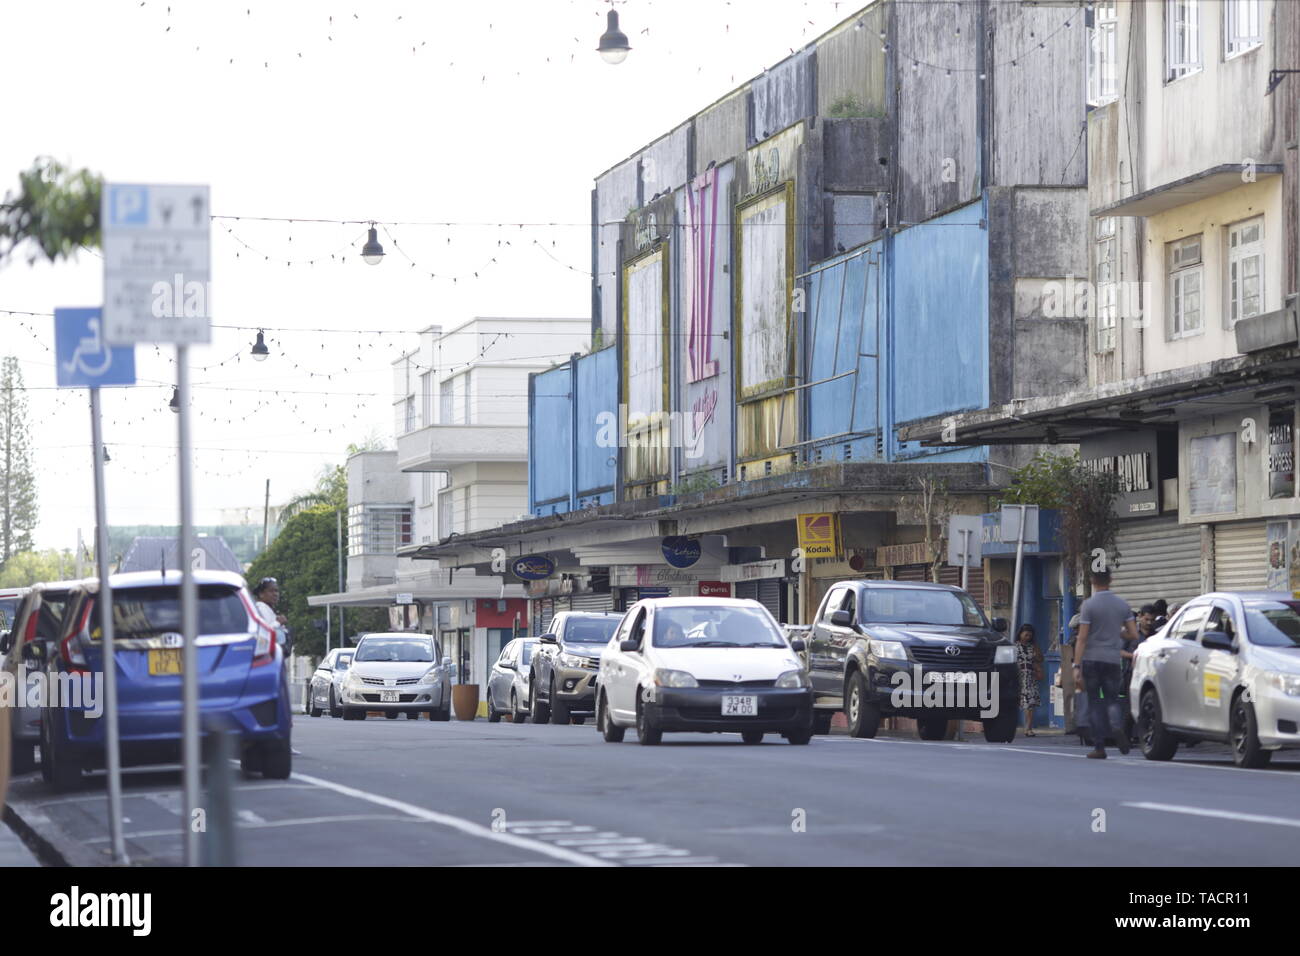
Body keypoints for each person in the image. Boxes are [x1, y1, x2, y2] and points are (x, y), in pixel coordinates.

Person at [1073, 570, 1138, 759]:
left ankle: (1099, 746)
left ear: (1092, 581)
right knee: (1112, 699)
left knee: (1094, 702)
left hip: (1092, 660)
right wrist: (1115, 633)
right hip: (1112, 660)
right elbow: (1133, 634)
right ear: (1111, 580)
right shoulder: (1122, 605)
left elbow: (1082, 638)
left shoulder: (1089, 605)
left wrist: (1077, 666)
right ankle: (1117, 726)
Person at [1014, 623, 1044, 737]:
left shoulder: (1033, 646)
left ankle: (1028, 728)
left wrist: (1036, 653)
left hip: (1030, 677)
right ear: (1020, 634)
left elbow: (1040, 659)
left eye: (1030, 635)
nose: (1028, 637)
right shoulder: (1014, 646)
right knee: (1020, 703)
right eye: (1026, 635)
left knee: (1030, 704)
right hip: (1018, 677)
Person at [252, 577, 290, 648]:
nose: (275, 594)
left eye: (276, 591)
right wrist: (278, 622)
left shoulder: (267, 608)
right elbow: (263, 633)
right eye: (271, 591)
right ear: (261, 594)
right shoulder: (261, 607)